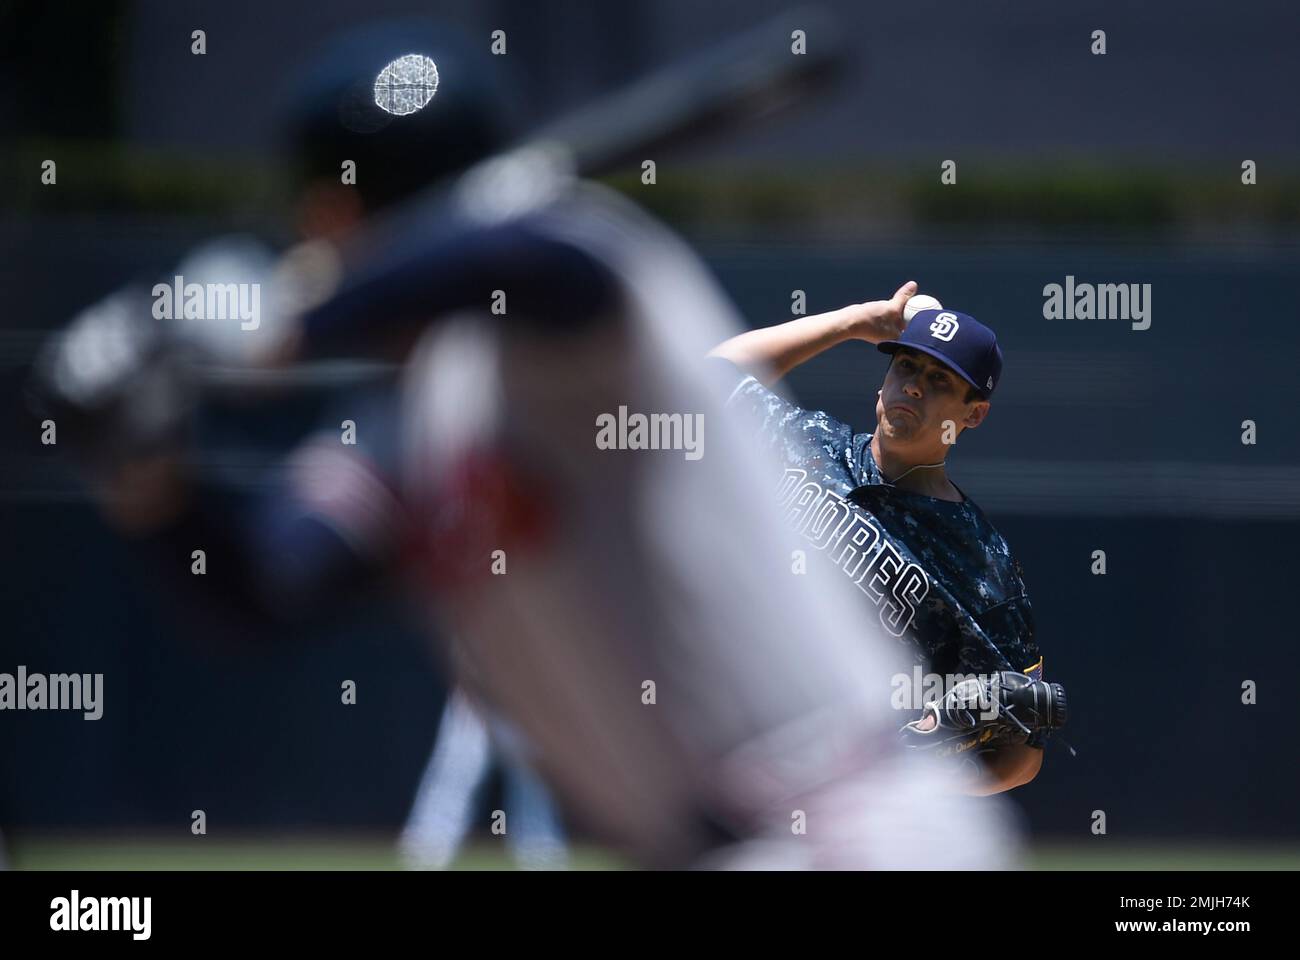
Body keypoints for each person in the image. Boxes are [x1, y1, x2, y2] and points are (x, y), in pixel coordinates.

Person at [31, 17, 567, 868]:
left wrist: (279, 321)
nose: (310, 226)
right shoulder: (412, 414)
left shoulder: (577, 301)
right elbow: (263, 589)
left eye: (329, 206)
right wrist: (148, 479)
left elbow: (527, 268)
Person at [708, 282, 1063, 794]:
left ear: (973, 414)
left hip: (845, 803)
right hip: (729, 747)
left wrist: (912, 773)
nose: (914, 386)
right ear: (882, 385)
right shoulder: (805, 442)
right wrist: (853, 321)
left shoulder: (983, 564)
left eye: (940, 379)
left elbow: (1019, 756)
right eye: (906, 367)